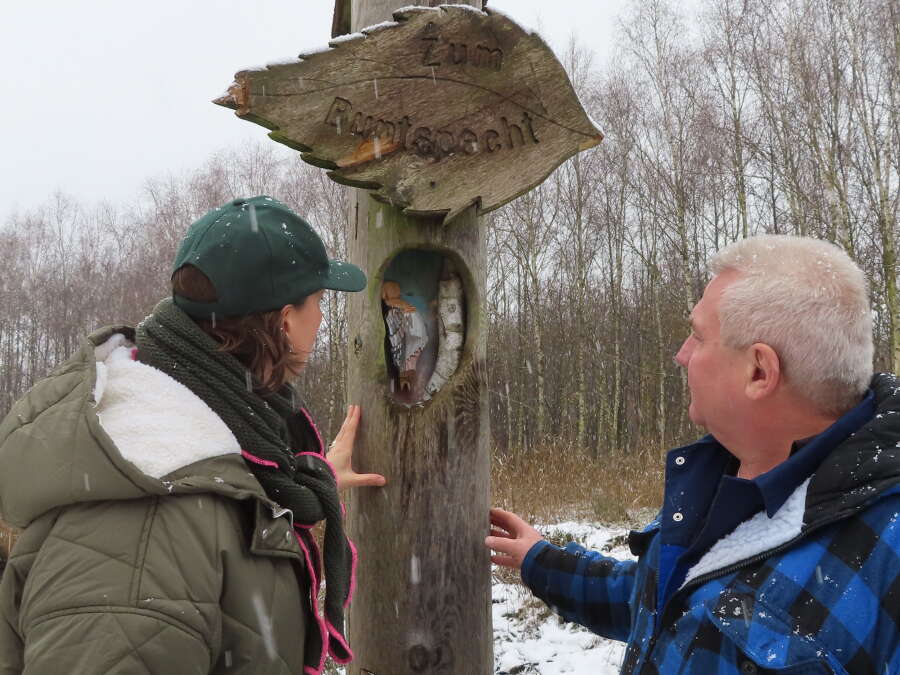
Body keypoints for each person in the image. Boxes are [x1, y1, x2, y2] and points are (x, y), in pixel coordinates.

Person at [0, 195, 385, 674]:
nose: (322, 319)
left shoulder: (198, 441)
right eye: (319, 304)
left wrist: (316, 477)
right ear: (286, 322)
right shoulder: (143, 538)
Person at [486, 234, 900, 673]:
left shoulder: (888, 551)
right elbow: (666, 605)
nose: (682, 355)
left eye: (698, 337)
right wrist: (542, 560)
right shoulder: (717, 473)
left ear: (760, 371)